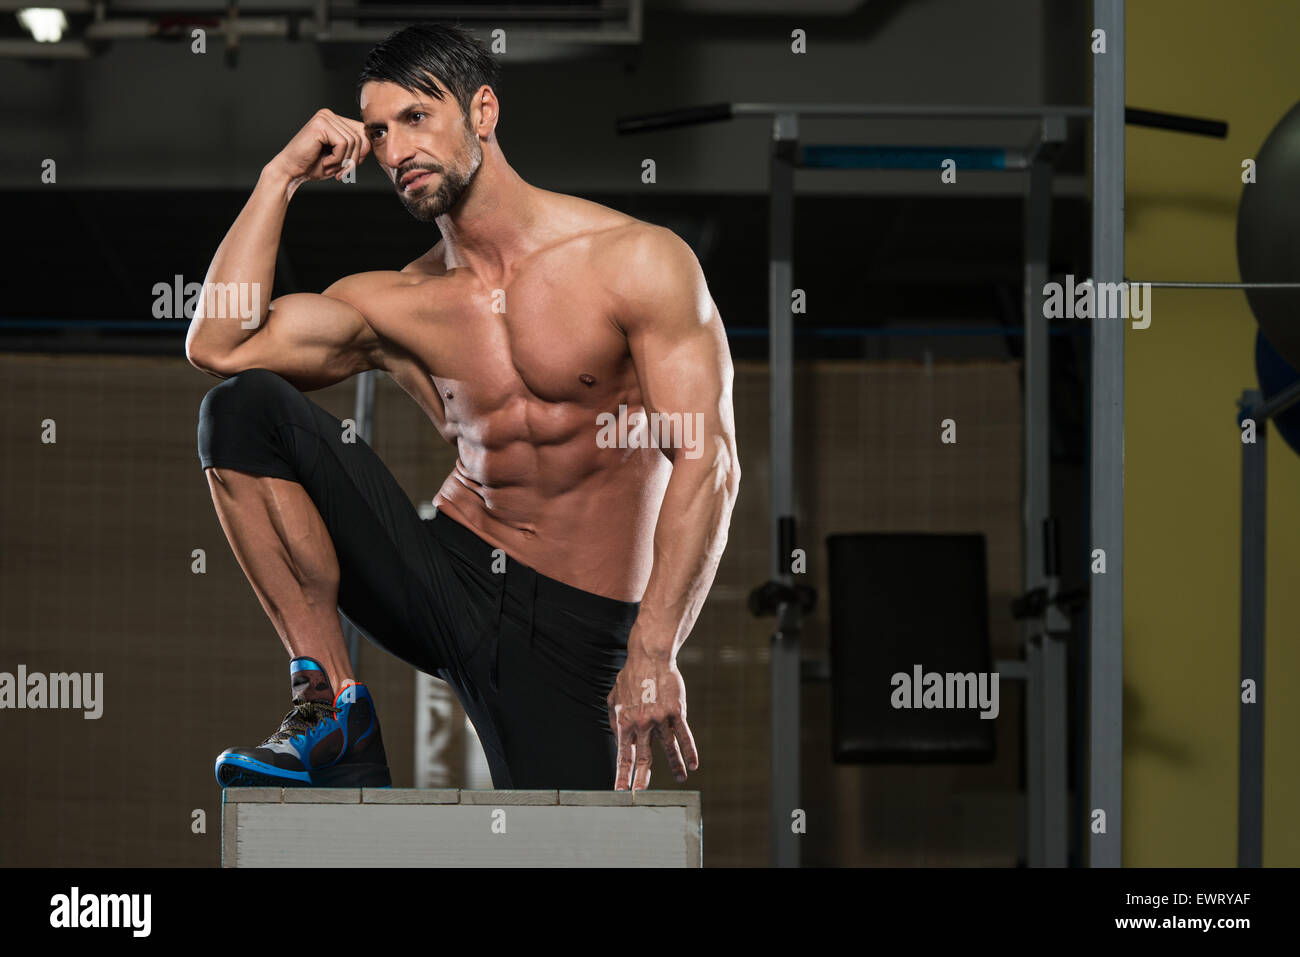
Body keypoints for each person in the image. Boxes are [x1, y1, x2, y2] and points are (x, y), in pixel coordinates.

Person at [185, 22, 740, 791]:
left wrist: (655, 648)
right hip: (449, 577)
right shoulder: (400, 300)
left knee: (577, 852)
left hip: (576, 635)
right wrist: (279, 175)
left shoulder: (637, 261)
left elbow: (708, 462)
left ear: (483, 111)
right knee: (241, 410)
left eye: (418, 116)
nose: (396, 149)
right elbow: (219, 345)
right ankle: (331, 712)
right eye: (377, 132)